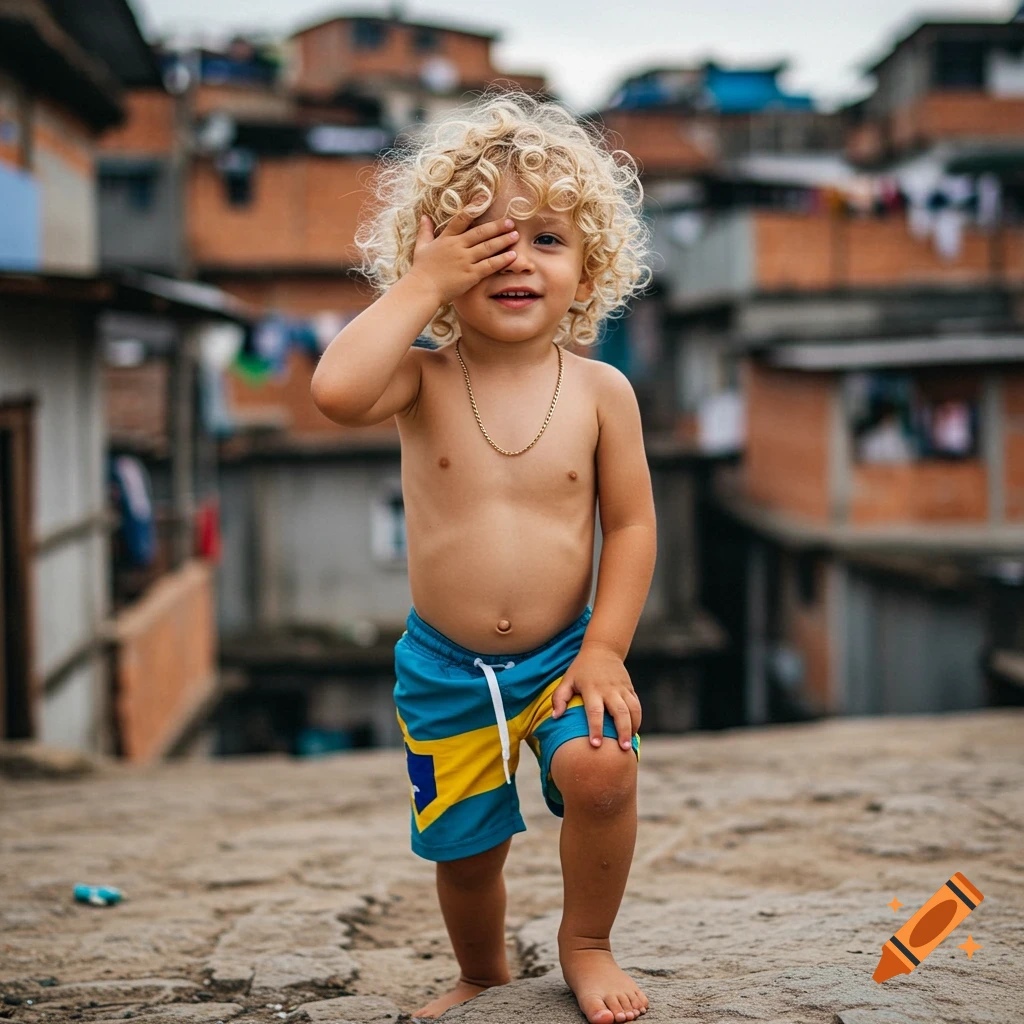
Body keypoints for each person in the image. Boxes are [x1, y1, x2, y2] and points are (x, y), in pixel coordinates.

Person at [311, 91, 657, 1024]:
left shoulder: (602, 391)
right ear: (437, 258)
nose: (516, 260)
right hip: (446, 671)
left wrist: (605, 649)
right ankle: (482, 973)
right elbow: (334, 393)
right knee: (465, 853)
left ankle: (587, 944)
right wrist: (419, 289)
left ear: (589, 267)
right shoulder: (419, 377)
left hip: (564, 657)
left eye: (546, 239)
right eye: (483, 240)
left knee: (602, 768)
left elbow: (631, 527)